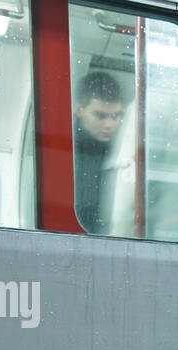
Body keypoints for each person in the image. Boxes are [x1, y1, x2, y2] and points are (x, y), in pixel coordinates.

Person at [73, 71, 126, 235]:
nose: (110, 124)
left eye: (116, 116)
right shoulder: (65, 147)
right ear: (80, 109)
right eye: (100, 115)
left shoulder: (120, 150)